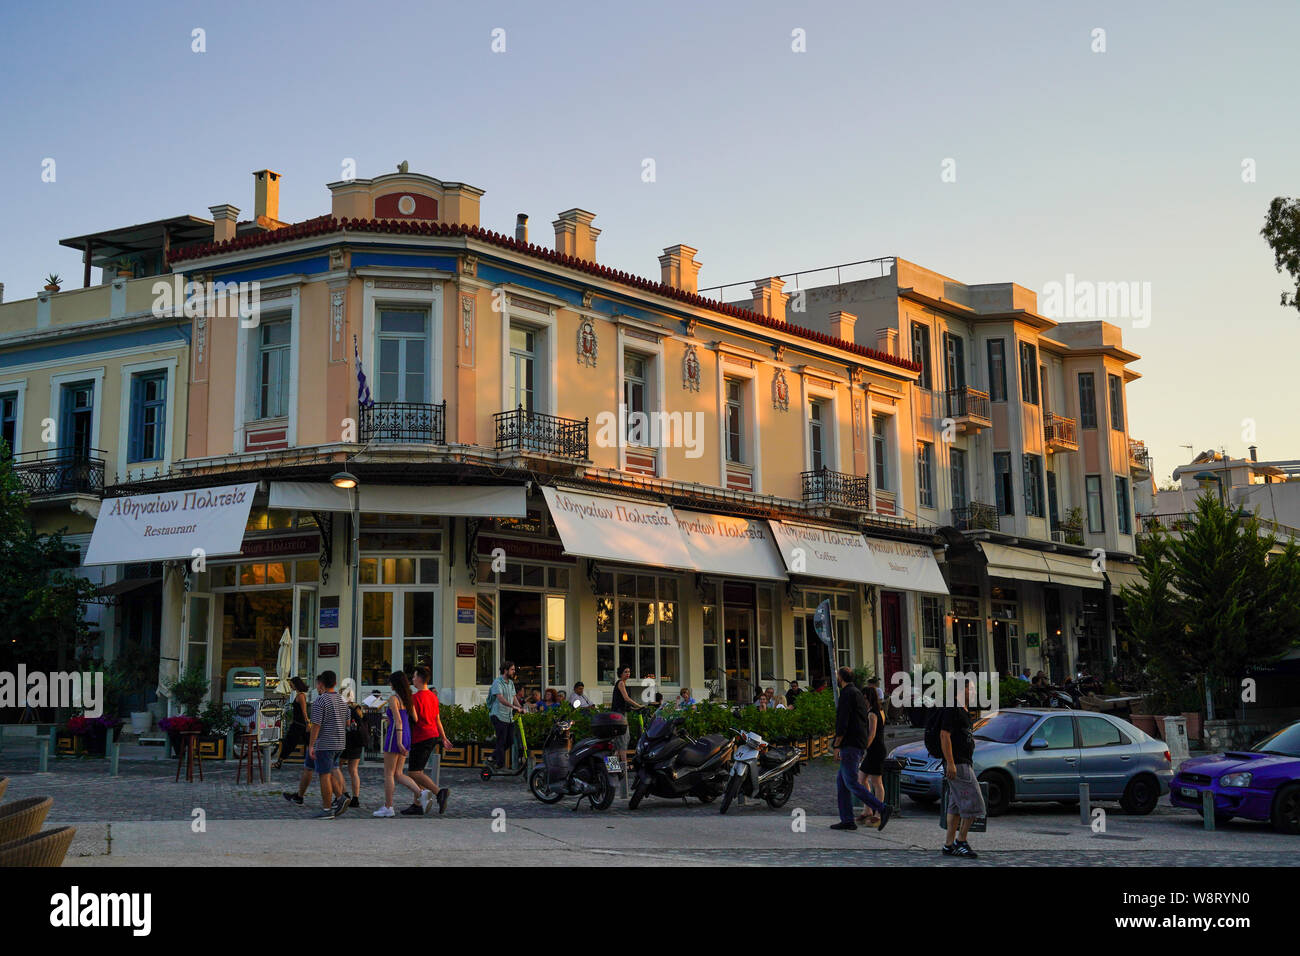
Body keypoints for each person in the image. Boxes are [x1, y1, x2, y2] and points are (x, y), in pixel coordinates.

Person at [829, 667, 890, 832]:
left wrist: (836, 745)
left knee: (851, 782)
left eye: (836, 676)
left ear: (841, 678)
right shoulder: (856, 693)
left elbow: (842, 722)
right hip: (856, 743)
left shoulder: (847, 694)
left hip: (850, 744)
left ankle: (881, 808)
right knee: (842, 782)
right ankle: (847, 819)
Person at [940, 679, 985, 859]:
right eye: (971, 688)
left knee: (955, 806)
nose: (973, 691)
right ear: (961, 690)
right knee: (975, 804)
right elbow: (944, 735)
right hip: (958, 764)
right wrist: (950, 762)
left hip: (963, 762)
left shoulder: (963, 709)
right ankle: (961, 841)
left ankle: (949, 844)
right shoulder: (953, 708)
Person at [399, 667, 451, 816]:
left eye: (414, 677)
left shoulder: (415, 698)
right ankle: (417, 804)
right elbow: (437, 720)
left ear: (420, 679)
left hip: (421, 736)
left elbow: (413, 719)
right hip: (432, 735)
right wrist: (443, 737)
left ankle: (439, 792)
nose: (413, 680)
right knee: (419, 771)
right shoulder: (433, 696)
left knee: (413, 772)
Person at [373, 671, 422, 818]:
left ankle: (388, 806)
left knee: (389, 773)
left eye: (390, 681)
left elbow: (398, 721)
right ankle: (421, 793)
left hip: (395, 735)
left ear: (394, 684)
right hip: (407, 734)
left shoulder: (393, 699)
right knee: (398, 773)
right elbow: (415, 718)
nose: (389, 684)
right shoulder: (408, 699)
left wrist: (398, 741)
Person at [307, 670, 351, 819]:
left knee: (324, 775)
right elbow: (347, 721)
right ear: (335, 682)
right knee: (331, 771)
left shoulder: (320, 701)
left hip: (325, 742)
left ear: (321, 683)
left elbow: (316, 725)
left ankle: (327, 809)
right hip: (340, 742)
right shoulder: (342, 700)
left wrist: (311, 745)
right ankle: (340, 798)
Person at [856, 686, 888, 826]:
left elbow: (872, 734)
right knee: (862, 779)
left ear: (867, 698)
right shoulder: (879, 711)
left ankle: (878, 812)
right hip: (876, 750)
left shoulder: (872, 714)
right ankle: (868, 809)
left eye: (863, 697)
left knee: (876, 782)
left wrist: (864, 749)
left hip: (875, 750)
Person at [338, 678, 366, 809]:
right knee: (354, 770)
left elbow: (345, 725)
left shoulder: (345, 708)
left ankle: (344, 794)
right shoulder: (358, 708)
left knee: (337, 768)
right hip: (357, 743)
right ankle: (356, 798)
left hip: (346, 742)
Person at [489, 661, 522, 769]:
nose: (514, 671)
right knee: (501, 740)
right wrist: (513, 707)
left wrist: (520, 707)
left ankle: (493, 757)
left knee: (510, 740)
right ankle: (500, 764)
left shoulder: (511, 683)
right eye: (512, 669)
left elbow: (513, 697)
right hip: (498, 715)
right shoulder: (497, 682)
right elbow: (500, 698)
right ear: (505, 670)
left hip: (508, 717)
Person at [273, 677, 310, 770]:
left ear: (296, 684)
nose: (290, 685)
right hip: (298, 724)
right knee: (307, 743)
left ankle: (279, 762)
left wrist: (307, 723)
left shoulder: (301, 696)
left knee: (289, 742)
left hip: (299, 724)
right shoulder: (298, 695)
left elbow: (304, 711)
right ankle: (279, 762)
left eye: (291, 684)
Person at [610, 665, 642, 757]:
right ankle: (624, 768)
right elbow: (626, 698)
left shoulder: (624, 684)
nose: (628, 674)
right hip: (618, 716)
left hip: (621, 715)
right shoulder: (620, 683)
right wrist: (639, 705)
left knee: (619, 741)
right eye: (625, 672)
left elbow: (623, 703)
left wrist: (635, 709)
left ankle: (613, 767)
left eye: (629, 672)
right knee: (623, 740)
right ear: (621, 673)